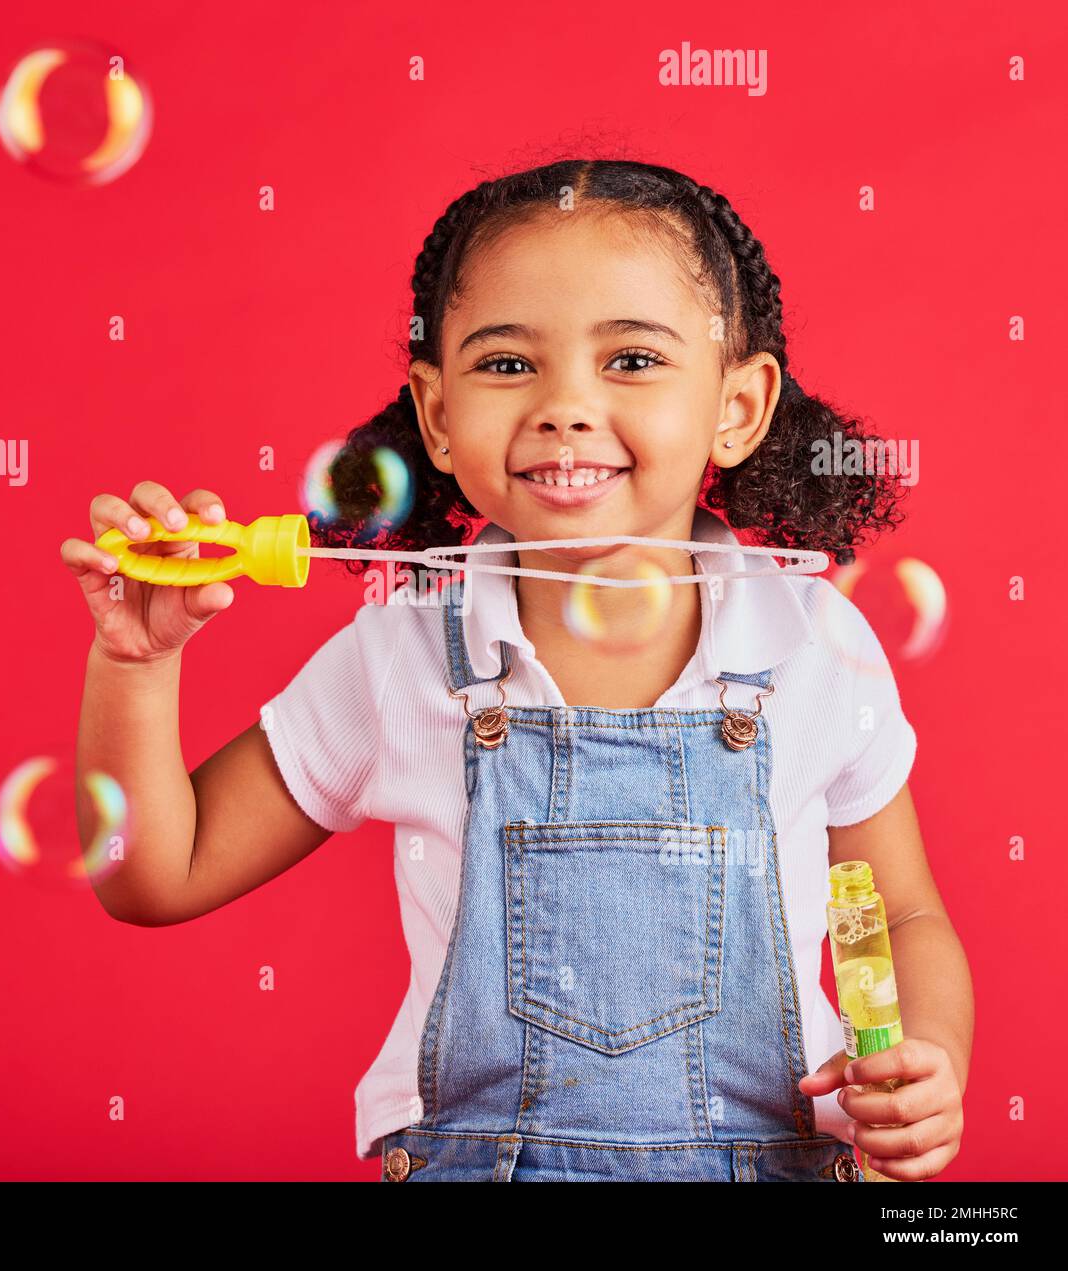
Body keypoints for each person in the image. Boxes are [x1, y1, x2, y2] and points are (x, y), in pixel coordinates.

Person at [60, 158, 970, 1182]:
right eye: (505, 365)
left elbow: (902, 914)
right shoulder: (402, 648)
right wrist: (136, 662)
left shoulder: (812, 644)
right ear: (437, 413)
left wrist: (925, 1062)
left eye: (629, 359)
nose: (564, 406)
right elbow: (154, 875)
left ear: (738, 402)